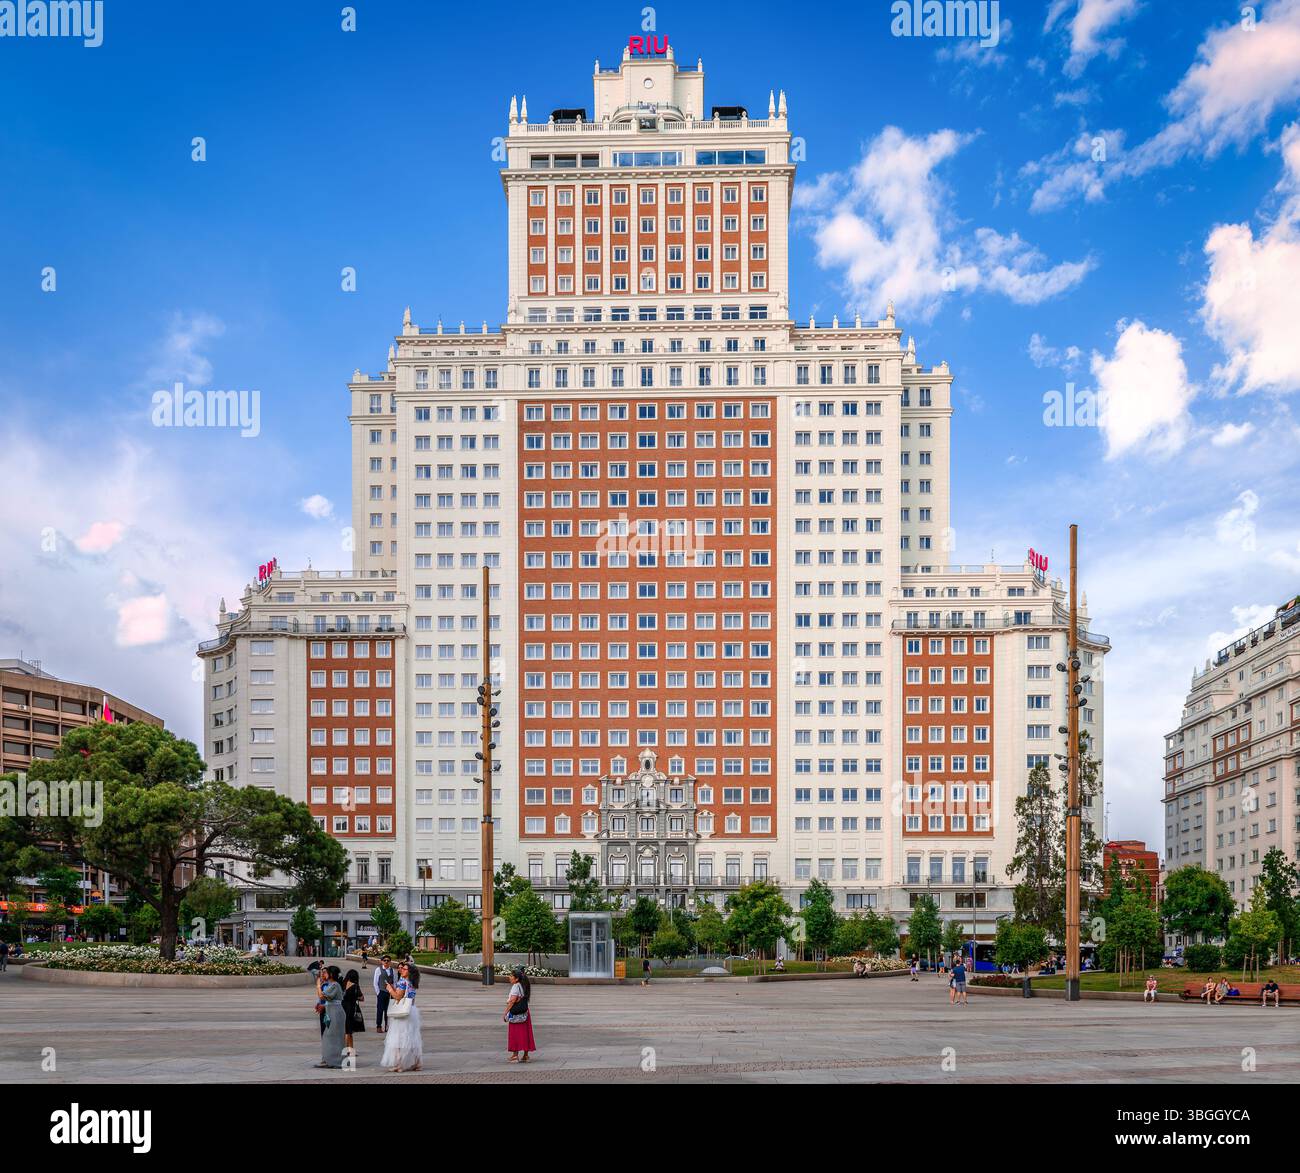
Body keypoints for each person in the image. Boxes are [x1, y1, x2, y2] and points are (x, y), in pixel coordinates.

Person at [381, 961, 422, 1072]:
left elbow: (398, 997)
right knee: (412, 1038)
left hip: (402, 1013)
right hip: (411, 1010)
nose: (401, 970)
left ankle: (399, 1064)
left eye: (404, 969)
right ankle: (417, 1063)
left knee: (397, 1039)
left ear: (409, 972)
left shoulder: (402, 982)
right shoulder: (412, 982)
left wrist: (390, 989)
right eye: (401, 968)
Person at [315, 965, 346, 1069]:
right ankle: (329, 1059)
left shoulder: (335, 985)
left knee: (335, 1037)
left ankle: (336, 1061)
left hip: (336, 1013)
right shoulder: (331, 984)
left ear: (331, 974)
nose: (324, 974)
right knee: (328, 1036)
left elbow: (321, 996)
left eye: (326, 972)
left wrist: (318, 985)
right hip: (331, 1011)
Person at [503, 965, 536, 1063]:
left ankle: (514, 1056)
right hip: (524, 1012)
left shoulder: (515, 986)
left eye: (511, 976)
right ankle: (526, 1055)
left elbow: (512, 1000)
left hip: (516, 1012)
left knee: (514, 1033)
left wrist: (505, 1012)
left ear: (516, 978)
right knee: (526, 1033)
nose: (509, 977)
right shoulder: (524, 984)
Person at [342, 968, 365, 1057]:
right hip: (351, 1008)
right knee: (349, 1031)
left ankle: (347, 1049)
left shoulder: (343, 984)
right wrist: (356, 997)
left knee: (345, 1029)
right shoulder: (355, 986)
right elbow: (362, 998)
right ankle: (350, 1050)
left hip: (342, 1007)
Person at [374, 955, 394, 1033]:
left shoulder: (392, 970)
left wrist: (393, 992)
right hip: (381, 992)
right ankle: (378, 1026)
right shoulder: (378, 970)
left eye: (388, 960)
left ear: (390, 962)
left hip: (390, 993)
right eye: (384, 960)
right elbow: (375, 982)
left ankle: (387, 1025)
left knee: (388, 1010)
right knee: (380, 1009)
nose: (386, 962)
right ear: (382, 961)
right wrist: (378, 993)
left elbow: (394, 982)